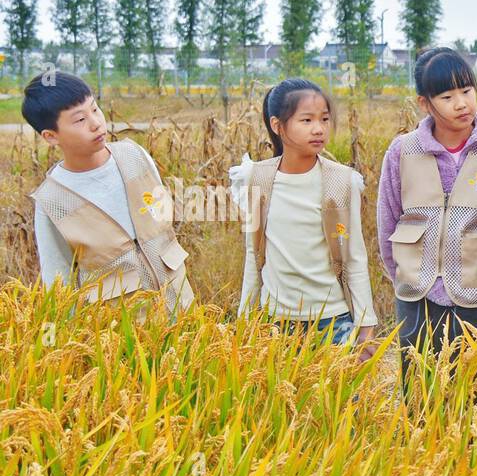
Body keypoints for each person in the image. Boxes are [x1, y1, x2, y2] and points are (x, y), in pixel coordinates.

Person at [377, 47, 477, 392]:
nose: (461, 103)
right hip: (417, 293)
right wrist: (403, 276)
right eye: (447, 96)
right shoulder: (402, 151)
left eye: (467, 91)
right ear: (424, 104)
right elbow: (387, 220)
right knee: (419, 389)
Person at [25, 70, 195, 312]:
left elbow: (164, 225)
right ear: (51, 137)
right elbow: (58, 283)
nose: (96, 123)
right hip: (120, 333)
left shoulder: (134, 156)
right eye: (79, 120)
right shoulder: (52, 201)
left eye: (95, 109)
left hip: (183, 311)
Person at [231, 78, 378, 353]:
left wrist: (366, 324)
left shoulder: (342, 181)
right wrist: (245, 320)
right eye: (307, 120)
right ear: (278, 126)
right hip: (274, 322)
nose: (319, 129)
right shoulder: (257, 178)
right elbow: (254, 255)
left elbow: (354, 256)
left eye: (324, 119)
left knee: (339, 396)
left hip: (333, 322)